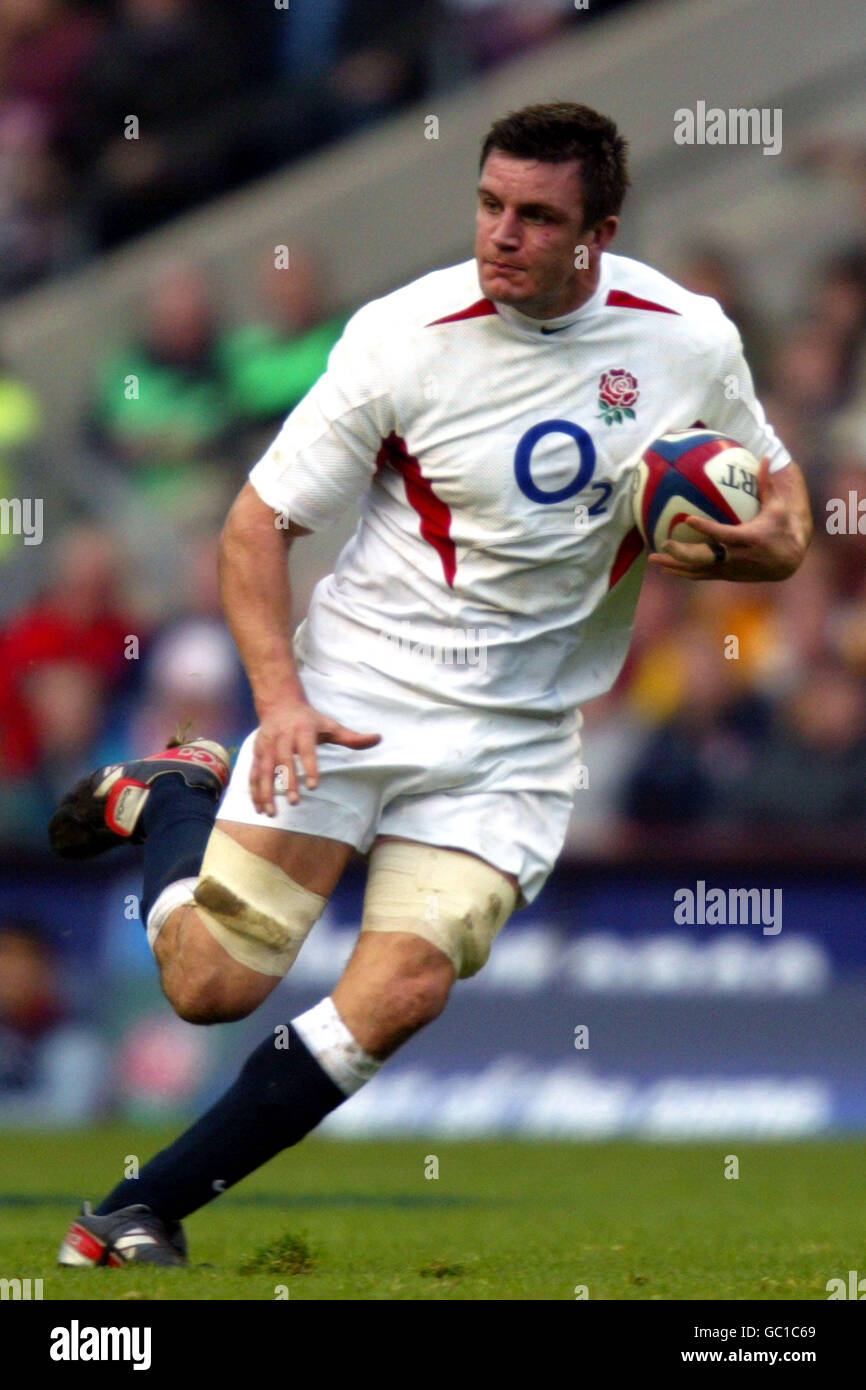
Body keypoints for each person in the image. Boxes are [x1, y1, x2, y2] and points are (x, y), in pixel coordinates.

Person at [49, 102, 812, 1268]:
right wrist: (281, 695)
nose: (501, 234)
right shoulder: (400, 336)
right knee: (209, 985)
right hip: (356, 694)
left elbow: (782, 503)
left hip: (513, 739)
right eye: (489, 204)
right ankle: (169, 800)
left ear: (597, 231)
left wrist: (764, 548)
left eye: (536, 217)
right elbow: (257, 527)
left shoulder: (687, 339)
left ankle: (138, 1208)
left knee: (402, 987)